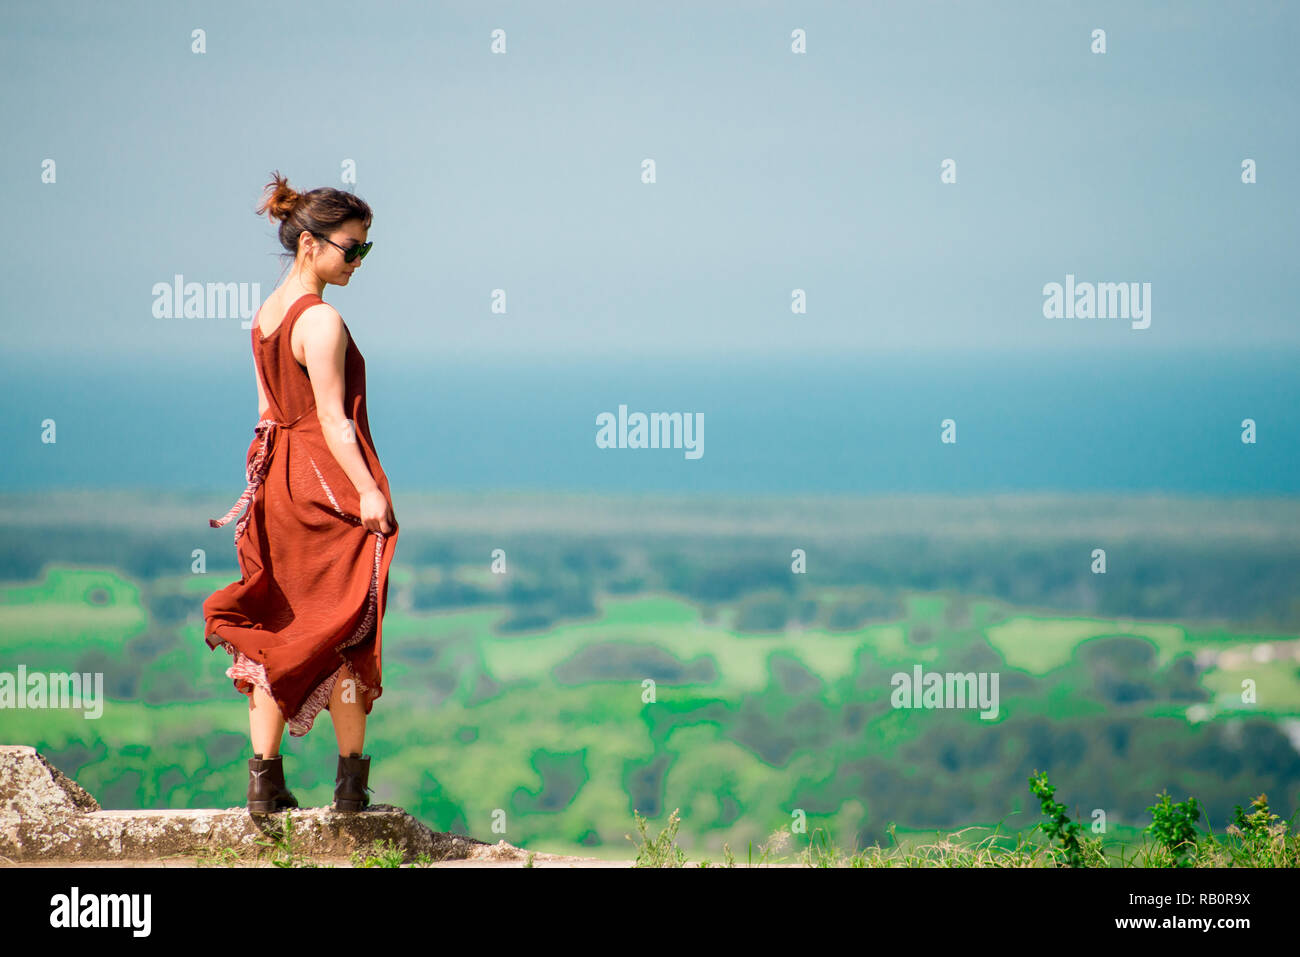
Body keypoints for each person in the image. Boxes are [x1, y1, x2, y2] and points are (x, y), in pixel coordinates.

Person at [203, 170, 399, 815]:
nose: (360, 261)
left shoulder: (264, 317)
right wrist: (369, 491)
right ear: (311, 243)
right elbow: (335, 420)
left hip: (278, 485)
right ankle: (350, 790)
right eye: (354, 247)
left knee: (278, 622)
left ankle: (265, 780)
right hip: (327, 486)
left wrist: (260, 488)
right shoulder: (321, 322)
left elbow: (266, 412)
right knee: (346, 626)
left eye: (366, 249)